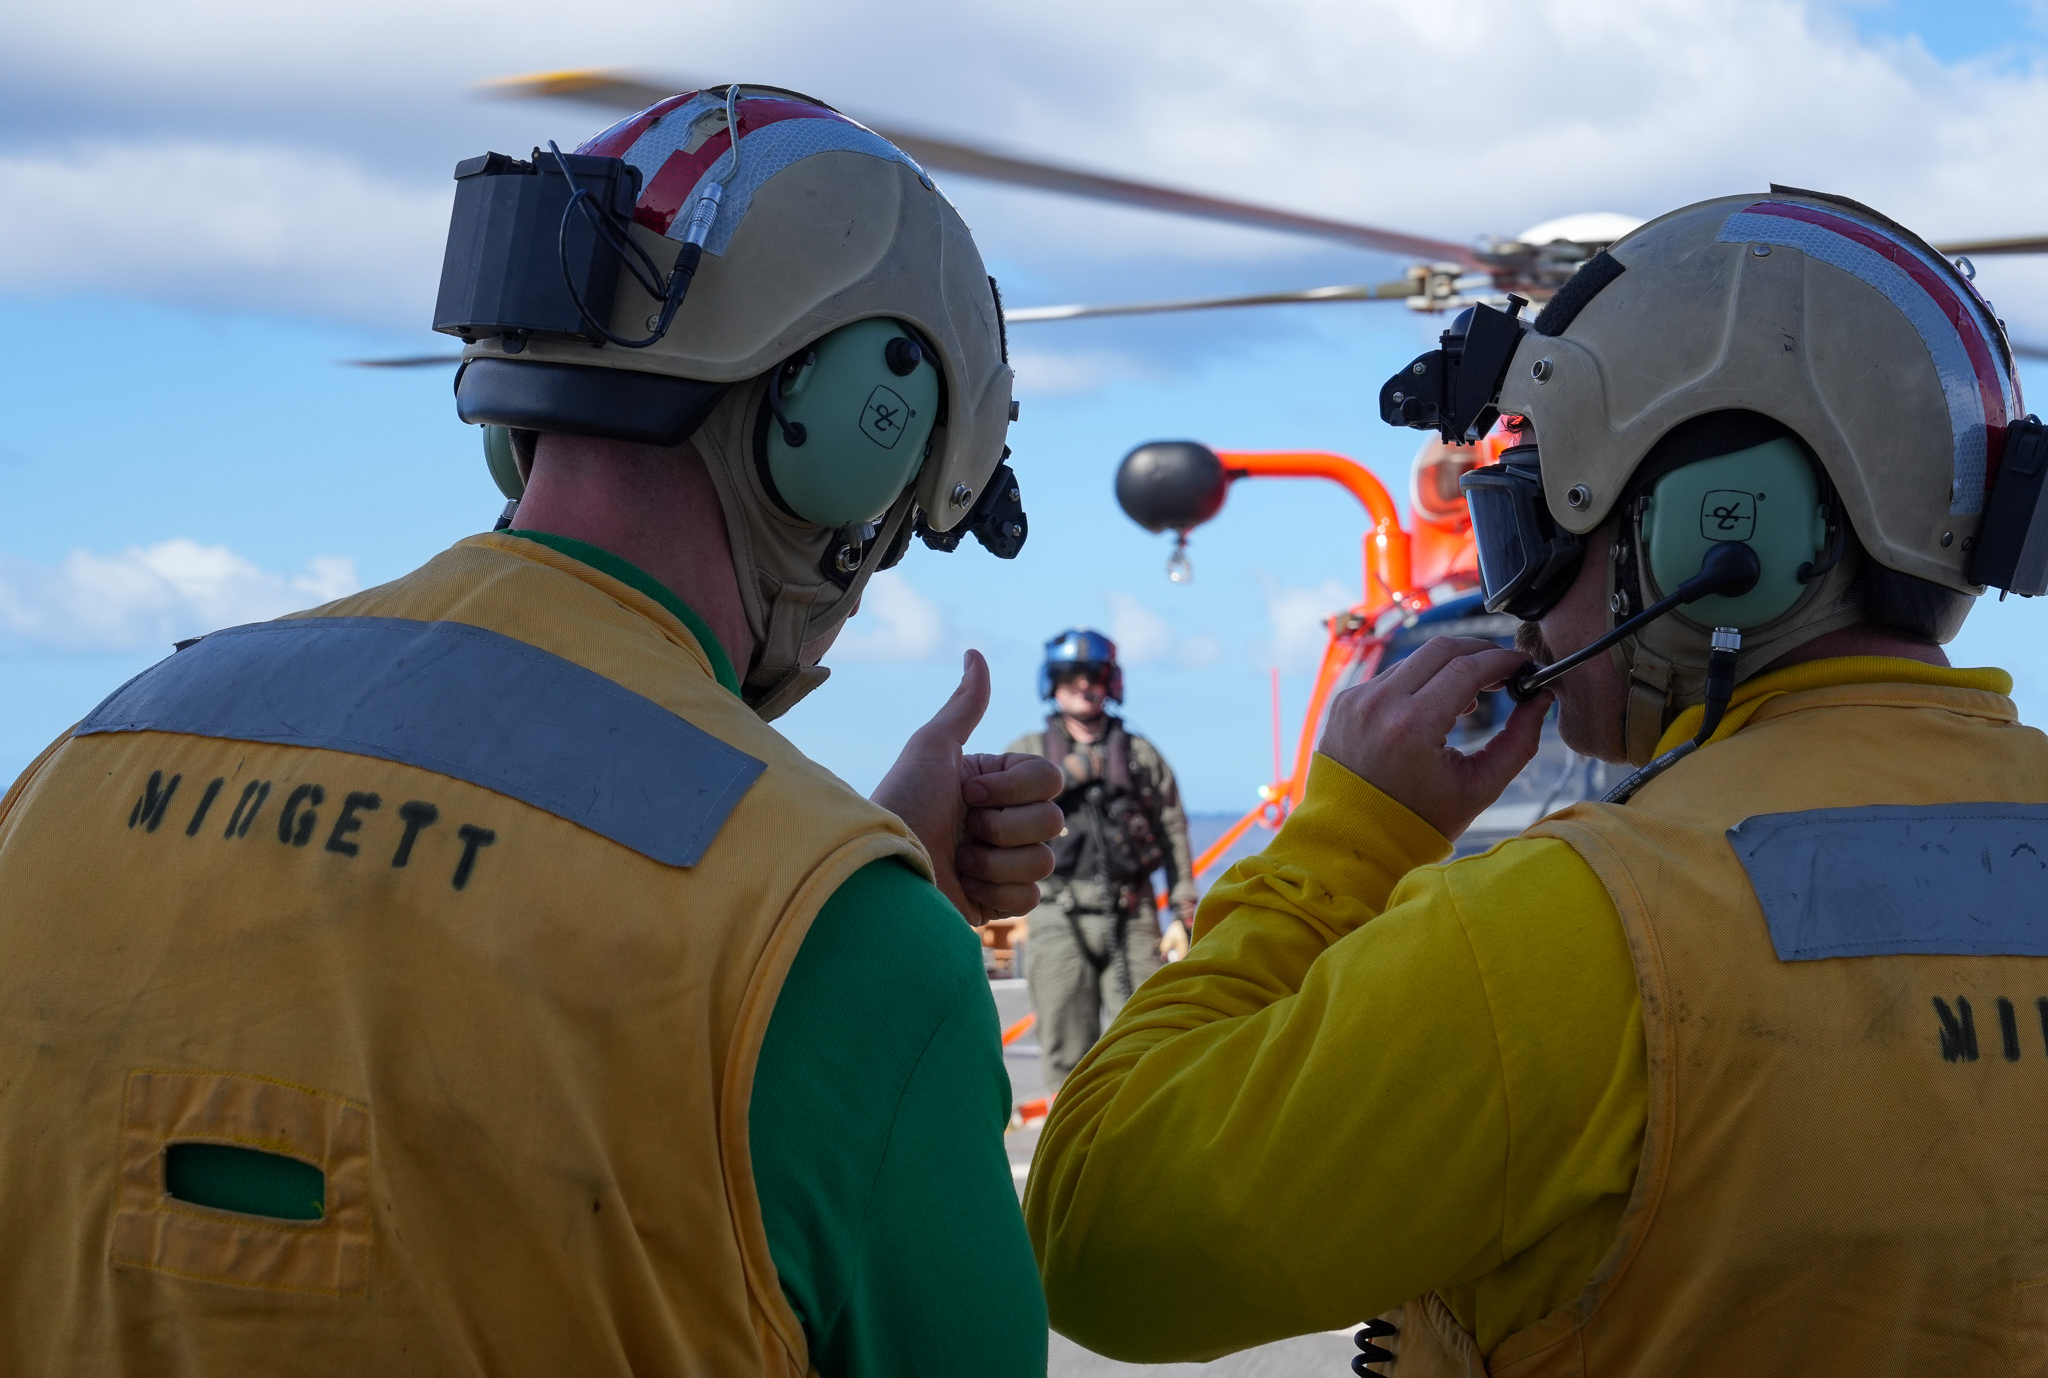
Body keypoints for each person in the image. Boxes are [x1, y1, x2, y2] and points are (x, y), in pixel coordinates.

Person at [0, 85, 1065, 1377]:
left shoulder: (73, 775)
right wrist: (862, 910)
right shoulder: (848, 950)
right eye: (899, 517)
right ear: (848, 431)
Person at [1025, 188, 2048, 1374]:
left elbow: (1101, 1242)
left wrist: (1345, 840)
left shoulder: (1571, 930)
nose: (1517, 599)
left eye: (1532, 529)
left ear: (1723, 537)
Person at [1008, 628, 1196, 1091]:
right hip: (1056, 913)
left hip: (1132, 913)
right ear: (1051, 682)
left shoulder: (1139, 755)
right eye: (1069, 676)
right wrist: (1062, 777)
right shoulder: (1029, 752)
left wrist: (1183, 911)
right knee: (1065, 1048)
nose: (1082, 685)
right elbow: (1001, 811)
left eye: (1093, 675)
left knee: (1148, 1039)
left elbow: (1172, 827)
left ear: (1110, 682)